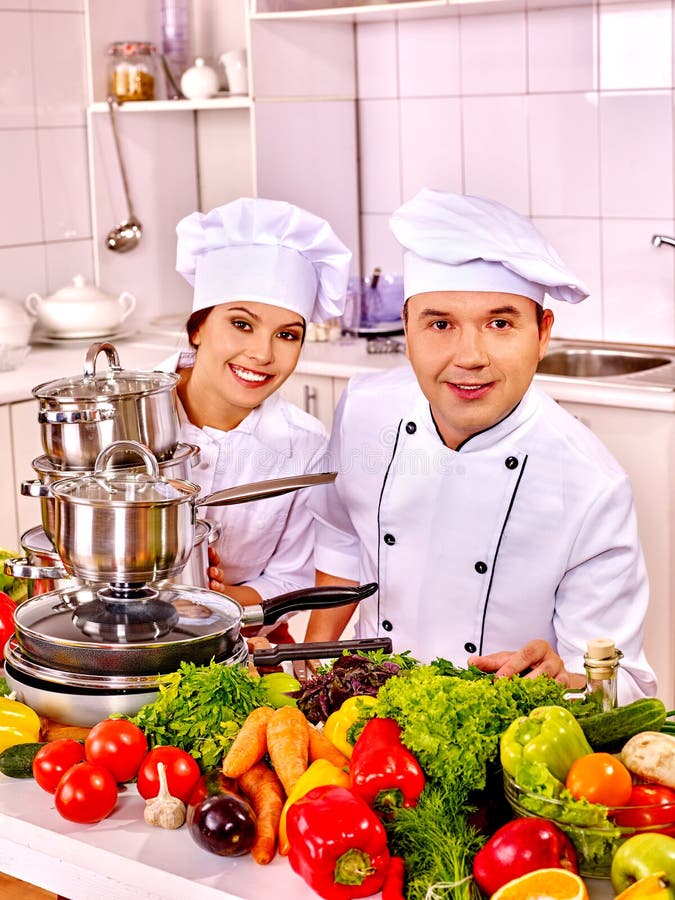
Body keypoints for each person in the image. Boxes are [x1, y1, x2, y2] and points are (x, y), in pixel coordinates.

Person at [303, 188, 656, 702]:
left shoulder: (590, 486)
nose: (469, 356)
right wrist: (314, 665)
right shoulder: (364, 409)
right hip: (361, 718)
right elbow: (340, 533)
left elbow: (619, 682)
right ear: (406, 329)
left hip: (502, 741)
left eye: (500, 323)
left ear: (542, 334)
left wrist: (568, 680)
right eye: (440, 323)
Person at [159, 197, 352, 639]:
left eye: (287, 335)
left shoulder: (304, 446)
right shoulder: (122, 417)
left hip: (243, 644)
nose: (263, 354)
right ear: (197, 328)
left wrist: (210, 602)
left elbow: (289, 582)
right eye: (242, 324)